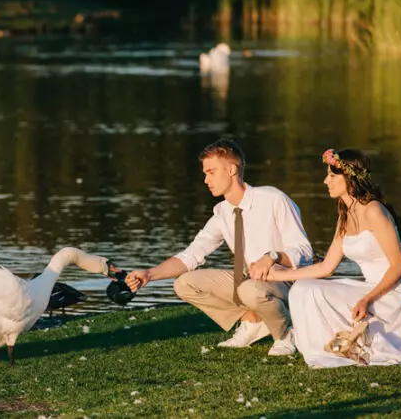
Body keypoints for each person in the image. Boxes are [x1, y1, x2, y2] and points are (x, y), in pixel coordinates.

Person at [125, 139, 313, 356]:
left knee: (249, 289)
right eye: (205, 173)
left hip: (287, 281)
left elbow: (304, 251)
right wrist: (148, 275)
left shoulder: (273, 198)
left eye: (211, 172)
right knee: (184, 284)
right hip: (249, 280)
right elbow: (192, 255)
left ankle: (284, 334)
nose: (206, 180)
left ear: (232, 170)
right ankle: (251, 321)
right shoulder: (222, 212)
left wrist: (272, 256)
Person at [267, 148, 401, 368]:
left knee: (309, 290)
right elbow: (327, 267)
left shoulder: (374, 211)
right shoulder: (345, 215)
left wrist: (367, 299)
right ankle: (323, 349)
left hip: (390, 294)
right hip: (368, 287)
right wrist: (280, 274)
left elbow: (398, 267)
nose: (325, 181)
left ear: (349, 177)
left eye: (331, 175)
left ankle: (357, 344)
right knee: (302, 289)